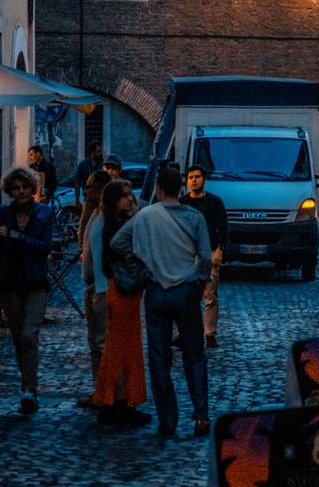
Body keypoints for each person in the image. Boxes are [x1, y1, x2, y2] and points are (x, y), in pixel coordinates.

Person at [111, 165, 211, 437]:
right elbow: (205, 257)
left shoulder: (145, 216)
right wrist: (197, 280)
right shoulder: (193, 217)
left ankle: (168, 419)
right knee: (194, 355)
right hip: (186, 291)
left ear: (157, 188)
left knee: (159, 358)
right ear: (179, 187)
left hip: (155, 290)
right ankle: (201, 414)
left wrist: (142, 259)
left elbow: (117, 243)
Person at [92, 178, 151, 427]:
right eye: (125, 195)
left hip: (125, 292)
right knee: (121, 349)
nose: (130, 199)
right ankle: (117, 403)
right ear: (114, 199)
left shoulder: (114, 223)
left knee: (125, 348)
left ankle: (120, 401)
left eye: (130, 194)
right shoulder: (113, 226)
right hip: (122, 292)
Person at [0, 167, 54, 413]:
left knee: (30, 335)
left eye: (24, 187)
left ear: (32, 189)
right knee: (19, 337)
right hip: (9, 285)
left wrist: (16, 237)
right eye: (16, 188)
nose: (20, 191)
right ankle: (26, 386)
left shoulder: (44, 213)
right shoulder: (2, 215)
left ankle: (30, 388)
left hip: (35, 284)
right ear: (10, 191)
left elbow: (45, 247)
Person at [180, 165, 228, 349]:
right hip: (188, 253)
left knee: (210, 295)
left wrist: (219, 250)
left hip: (209, 253)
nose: (194, 180)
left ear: (204, 179)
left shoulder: (214, 202)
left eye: (197, 177)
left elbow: (223, 228)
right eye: (191, 177)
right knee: (187, 295)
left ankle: (209, 333)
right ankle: (187, 332)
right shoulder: (183, 202)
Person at [77, 170, 112, 407]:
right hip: (91, 285)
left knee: (102, 342)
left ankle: (108, 393)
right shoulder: (92, 213)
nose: (86, 191)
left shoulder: (108, 217)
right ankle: (99, 391)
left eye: (90, 187)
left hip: (102, 287)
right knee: (95, 342)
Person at [78, 169, 111, 253]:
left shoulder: (113, 208)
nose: (85, 191)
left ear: (100, 190)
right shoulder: (90, 205)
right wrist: (81, 248)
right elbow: (83, 224)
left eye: (88, 187)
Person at [74, 141, 104, 207]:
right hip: (88, 199)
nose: (101, 153)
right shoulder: (83, 165)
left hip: (101, 199)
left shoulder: (103, 164)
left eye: (101, 151)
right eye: (98, 151)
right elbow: (77, 184)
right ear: (92, 152)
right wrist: (77, 201)